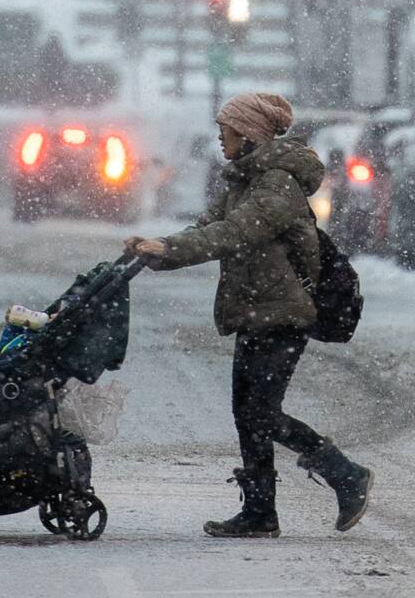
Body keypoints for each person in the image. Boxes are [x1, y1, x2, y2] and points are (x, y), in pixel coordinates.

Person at [125, 90, 371, 539]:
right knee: (248, 413)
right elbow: (206, 227)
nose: (221, 139)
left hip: (283, 315)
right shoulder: (244, 181)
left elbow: (234, 233)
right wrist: (159, 249)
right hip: (256, 311)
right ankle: (260, 512)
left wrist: (172, 249)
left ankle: (345, 474)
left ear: (249, 133)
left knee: (262, 413)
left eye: (226, 131)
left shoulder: (276, 183)